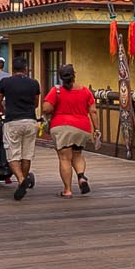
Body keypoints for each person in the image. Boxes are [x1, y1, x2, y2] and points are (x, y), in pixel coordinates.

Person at [43, 64, 97, 197]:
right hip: (81, 127)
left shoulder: (56, 91)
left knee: (65, 158)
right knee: (77, 154)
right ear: (74, 75)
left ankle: (67, 190)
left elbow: (46, 109)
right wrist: (97, 129)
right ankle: (81, 177)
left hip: (61, 127)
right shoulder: (85, 91)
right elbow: (93, 111)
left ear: (61, 77)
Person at [0, 61, 41, 199]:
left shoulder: (5, 82)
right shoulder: (34, 83)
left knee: (13, 154)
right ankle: (23, 178)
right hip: (30, 121)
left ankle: (21, 180)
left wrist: (4, 111)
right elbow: (36, 103)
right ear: (26, 68)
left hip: (12, 121)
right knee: (26, 155)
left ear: (12, 69)